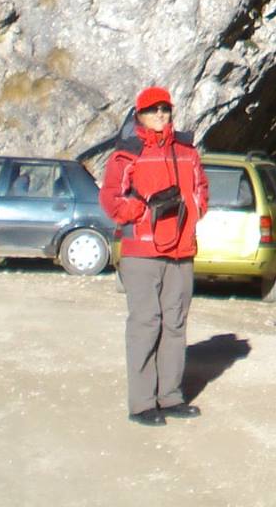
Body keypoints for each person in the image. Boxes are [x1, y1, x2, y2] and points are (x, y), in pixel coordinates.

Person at [99, 85, 209, 427]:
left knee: (174, 323)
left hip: (181, 250)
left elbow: (201, 189)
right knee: (146, 322)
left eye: (165, 109)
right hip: (142, 252)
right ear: (139, 115)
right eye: (153, 110)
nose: (160, 115)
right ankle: (142, 403)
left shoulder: (188, 151)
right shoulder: (126, 154)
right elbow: (110, 199)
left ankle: (170, 396)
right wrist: (143, 212)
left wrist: (194, 212)